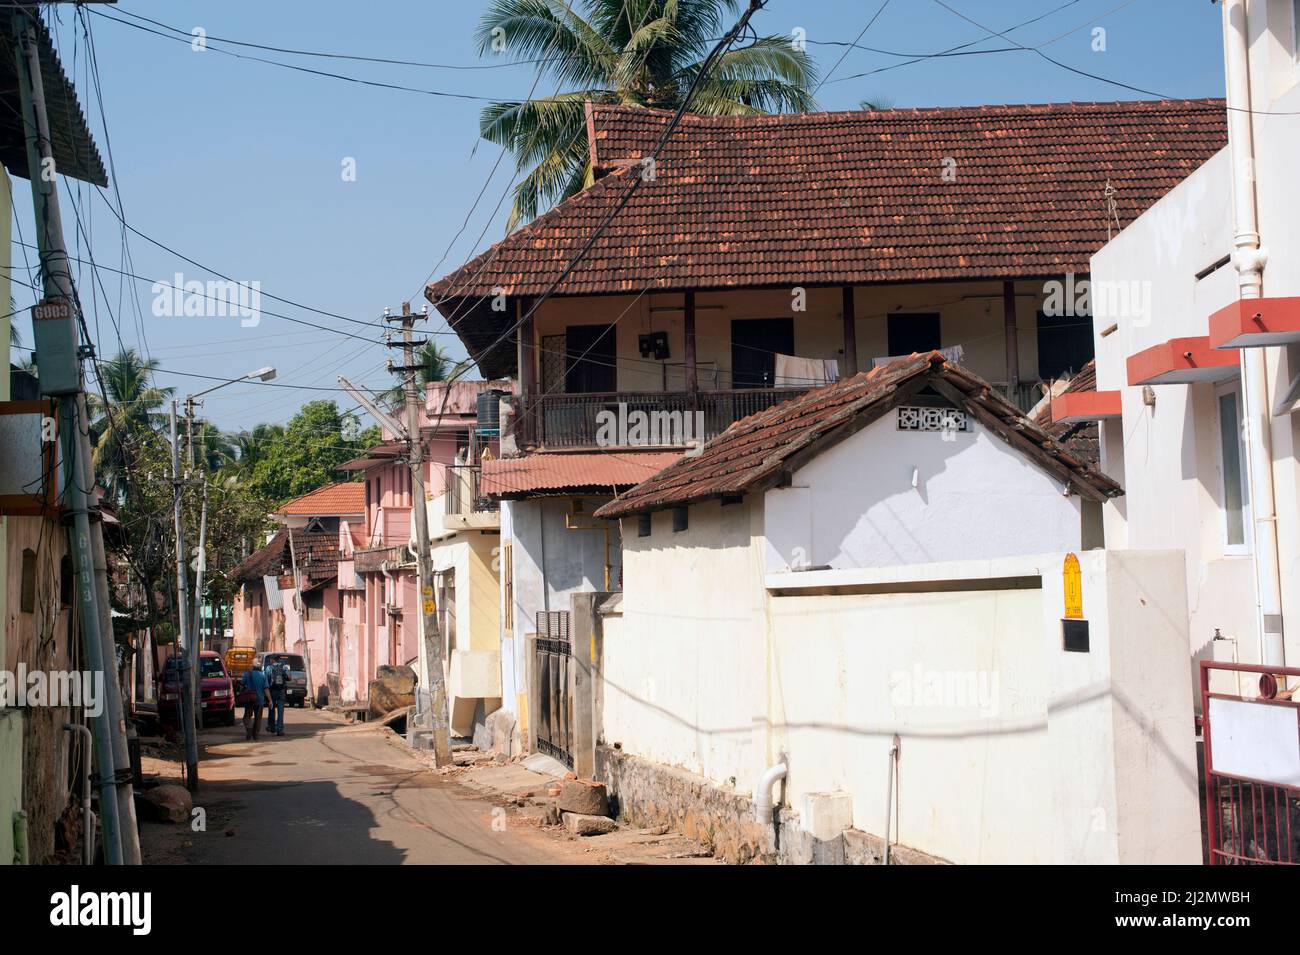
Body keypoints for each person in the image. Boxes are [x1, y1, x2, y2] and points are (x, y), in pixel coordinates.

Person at [241, 659, 270, 741]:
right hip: (260, 700)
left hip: (249, 699)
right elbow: (266, 689)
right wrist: (270, 700)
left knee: (247, 717)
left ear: (252, 666)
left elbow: (242, 685)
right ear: (260, 666)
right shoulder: (263, 676)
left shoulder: (247, 674)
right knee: (258, 718)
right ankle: (255, 735)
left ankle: (249, 729)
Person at [266, 655, 289, 736]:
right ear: (279, 659)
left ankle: (271, 727)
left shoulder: (269, 668)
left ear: (273, 660)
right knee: (280, 710)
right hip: (282, 691)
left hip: (272, 691)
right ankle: (280, 730)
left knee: (271, 708)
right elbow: (289, 678)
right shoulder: (285, 668)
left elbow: (266, 679)